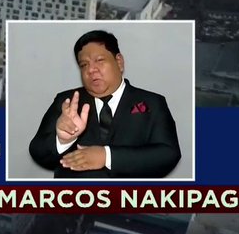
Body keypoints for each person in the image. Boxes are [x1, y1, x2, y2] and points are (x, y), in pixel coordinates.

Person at [28, 30, 181, 178]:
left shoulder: (152, 103)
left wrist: (107, 156)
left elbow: (168, 155)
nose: (91, 70)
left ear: (119, 62)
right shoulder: (67, 101)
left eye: (99, 61)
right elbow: (38, 152)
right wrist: (62, 140)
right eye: (84, 65)